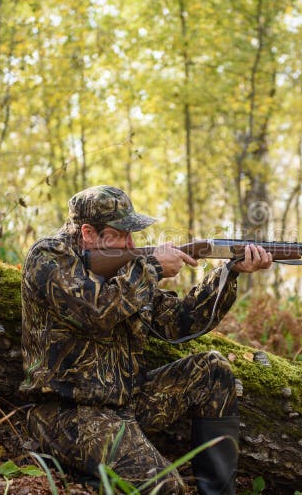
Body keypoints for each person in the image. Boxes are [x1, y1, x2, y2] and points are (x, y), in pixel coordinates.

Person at [20, 185, 272, 494]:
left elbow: (180, 322)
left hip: (127, 404)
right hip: (68, 417)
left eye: (132, 233)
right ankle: (88, 475)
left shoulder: (128, 268)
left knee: (212, 369)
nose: (131, 242)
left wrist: (229, 271)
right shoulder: (48, 257)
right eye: (121, 234)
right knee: (167, 489)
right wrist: (151, 267)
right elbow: (95, 310)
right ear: (87, 232)